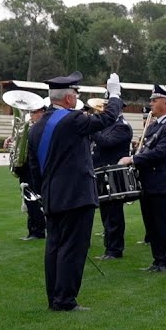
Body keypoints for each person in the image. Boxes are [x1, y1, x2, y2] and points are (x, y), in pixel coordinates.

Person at [26, 71, 124, 311]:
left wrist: (46, 191)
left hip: (52, 196)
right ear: (69, 99)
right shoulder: (72, 120)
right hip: (76, 197)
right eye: (76, 94)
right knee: (73, 248)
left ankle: (54, 298)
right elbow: (107, 118)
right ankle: (66, 300)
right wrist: (114, 94)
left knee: (54, 248)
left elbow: (33, 167)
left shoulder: (37, 126)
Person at [119, 84, 166, 273]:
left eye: (154, 101)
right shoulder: (155, 125)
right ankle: (157, 259)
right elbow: (148, 149)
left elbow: (160, 153)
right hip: (148, 181)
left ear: (165, 103)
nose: (151, 104)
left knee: (163, 223)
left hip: (162, 182)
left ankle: (165, 261)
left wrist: (133, 158)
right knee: (151, 223)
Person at [91, 102, 133, 259]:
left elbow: (105, 142)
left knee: (113, 213)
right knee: (106, 213)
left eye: (109, 107)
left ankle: (115, 249)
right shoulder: (110, 124)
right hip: (103, 173)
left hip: (114, 175)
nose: (106, 109)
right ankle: (109, 247)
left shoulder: (121, 126)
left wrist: (92, 127)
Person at [11, 104, 47, 241]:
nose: (30, 115)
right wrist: (13, 142)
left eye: (34, 112)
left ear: (42, 112)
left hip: (35, 168)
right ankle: (32, 229)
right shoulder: (30, 128)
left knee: (35, 200)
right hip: (26, 168)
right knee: (28, 200)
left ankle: (38, 230)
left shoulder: (42, 129)